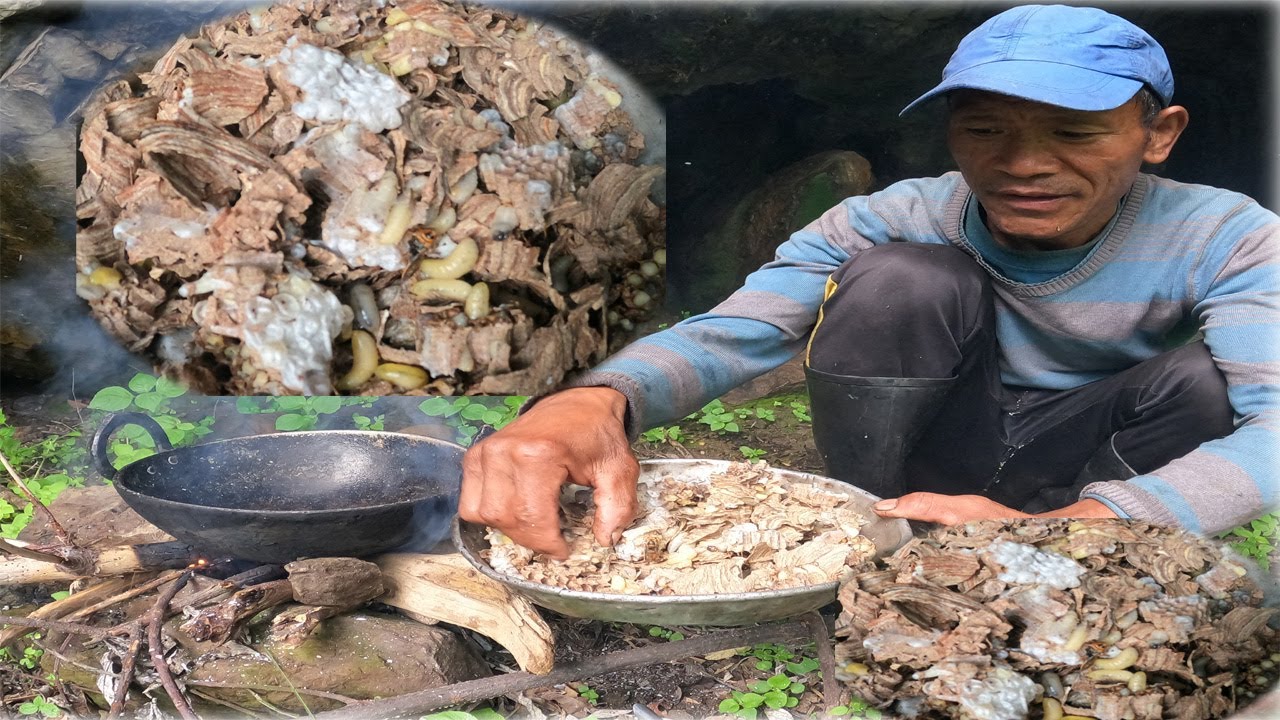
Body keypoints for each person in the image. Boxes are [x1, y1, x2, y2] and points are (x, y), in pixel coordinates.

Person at [460, 4, 1278, 558]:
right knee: (900, 279)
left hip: (1089, 472)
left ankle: (1083, 552)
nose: (1025, 164)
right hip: (936, 444)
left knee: (1207, 382)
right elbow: (737, 330)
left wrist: (1088, 523)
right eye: (986, 129)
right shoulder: (894, 216)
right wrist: (597, 398)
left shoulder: (1228, 235)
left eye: (1075, 132)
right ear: (951, 131)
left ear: (1159, 135)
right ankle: (871, 529)